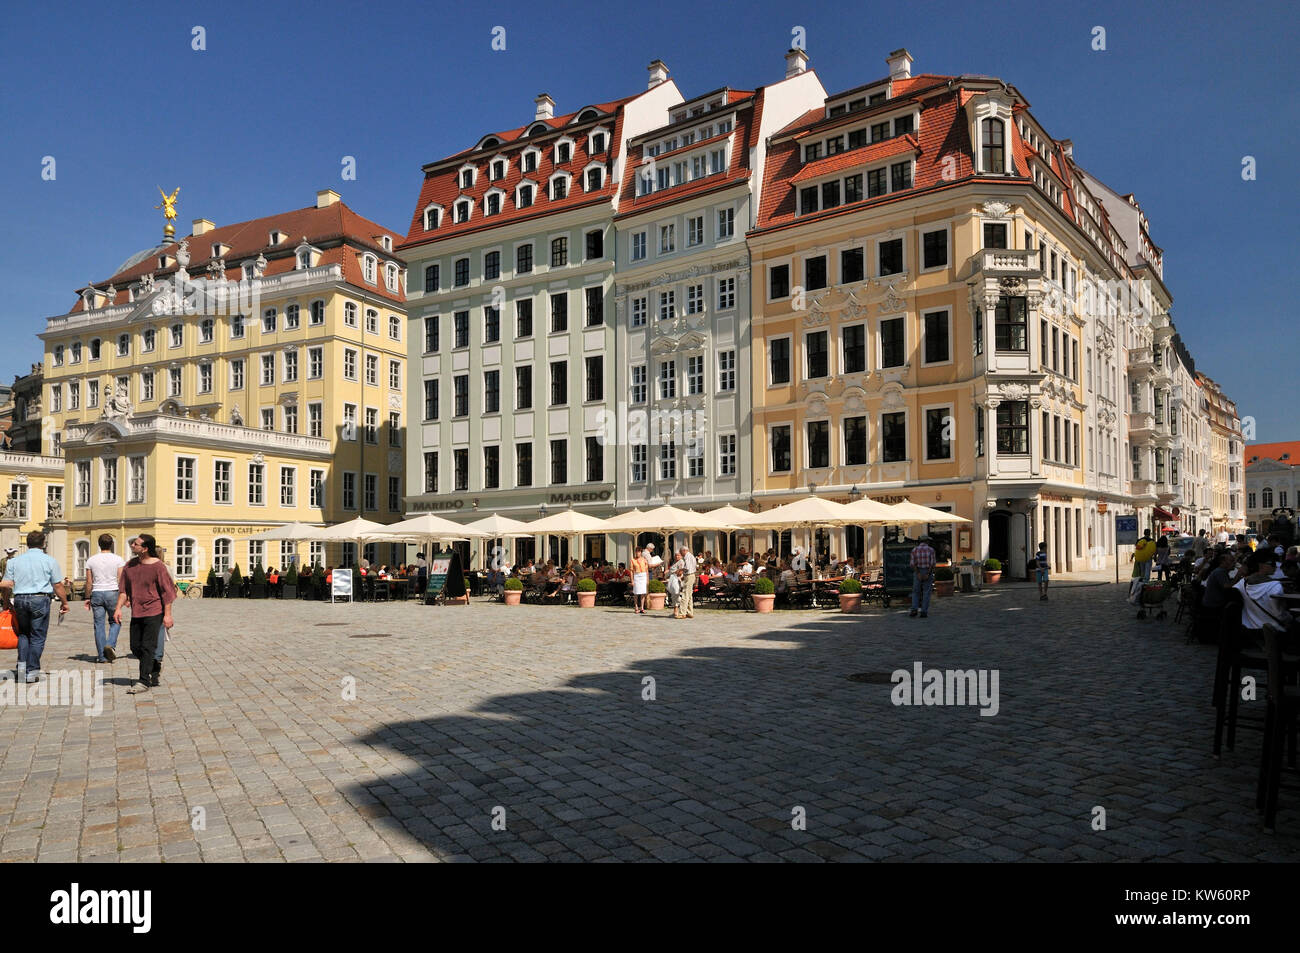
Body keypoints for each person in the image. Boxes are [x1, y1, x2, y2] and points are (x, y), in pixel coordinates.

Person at [0, 531, 70, 683]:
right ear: (43, 543)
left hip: (19, 599)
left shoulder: (14, 562)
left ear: (28, 543)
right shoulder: (49, 560)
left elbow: (6, 585)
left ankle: (21, 668)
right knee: (37, 636)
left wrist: (5, 602)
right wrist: (64, 602)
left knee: (23, 634)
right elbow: (57, 585)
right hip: (40, 599)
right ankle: (32, 671)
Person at [114, 534, 177, 694]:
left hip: (154, 611)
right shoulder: (130, 566)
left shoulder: (158, 567)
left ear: (145, 548)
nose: (132, 545)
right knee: (135, 647)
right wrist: (118, 608)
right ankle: (154, 666)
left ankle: (143, 681)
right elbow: (123, 591)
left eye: (136, 544)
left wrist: (167, 615)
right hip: (137, 611)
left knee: (148, 646)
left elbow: (167, 593)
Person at [84, 534, 125, 663]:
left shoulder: (91, 560)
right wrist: (125, 595)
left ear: (99, 544)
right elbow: (121, 579)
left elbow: (89, 582)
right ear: (112, 544)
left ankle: (102, 657)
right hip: (112, 592)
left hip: (97, 592)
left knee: (99, 625)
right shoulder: (118, 559)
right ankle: (110, 644)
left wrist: (87, 597)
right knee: (115, 621)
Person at [909, 535, 936, 619]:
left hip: (918, 571)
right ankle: (924, 611)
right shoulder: (931, 550)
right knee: (926, 592)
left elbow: (912, 564)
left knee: (916, 592)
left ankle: (914, 609)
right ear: (927, 541)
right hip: (927, 570)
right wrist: (928, 573)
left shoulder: (914, 550)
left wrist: (918, 573)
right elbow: (932, 564)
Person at [671, 546, 698, 619]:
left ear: (684, 551)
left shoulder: (687, 556)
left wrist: (680, 570)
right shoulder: (690, 556)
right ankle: (689, 612)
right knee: (689, 595)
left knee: (685, 594)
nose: (680, 554)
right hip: (690, 576)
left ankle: (682, 613)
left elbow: (687, 568)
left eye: (681, 552)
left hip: (689, 576)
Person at [630, 550, 649, 614]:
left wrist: (647, 579)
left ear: (641, 553)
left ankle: (642, 607)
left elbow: (646, 570)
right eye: (636, 552)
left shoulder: (644, 560)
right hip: (637, 575)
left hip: (643, 575)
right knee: (636, 592)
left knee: (643, 592)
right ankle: (636, 607)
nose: (637, 553)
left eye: (639, 552)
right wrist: (632, 580)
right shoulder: (633, 560)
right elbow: (631, 571)